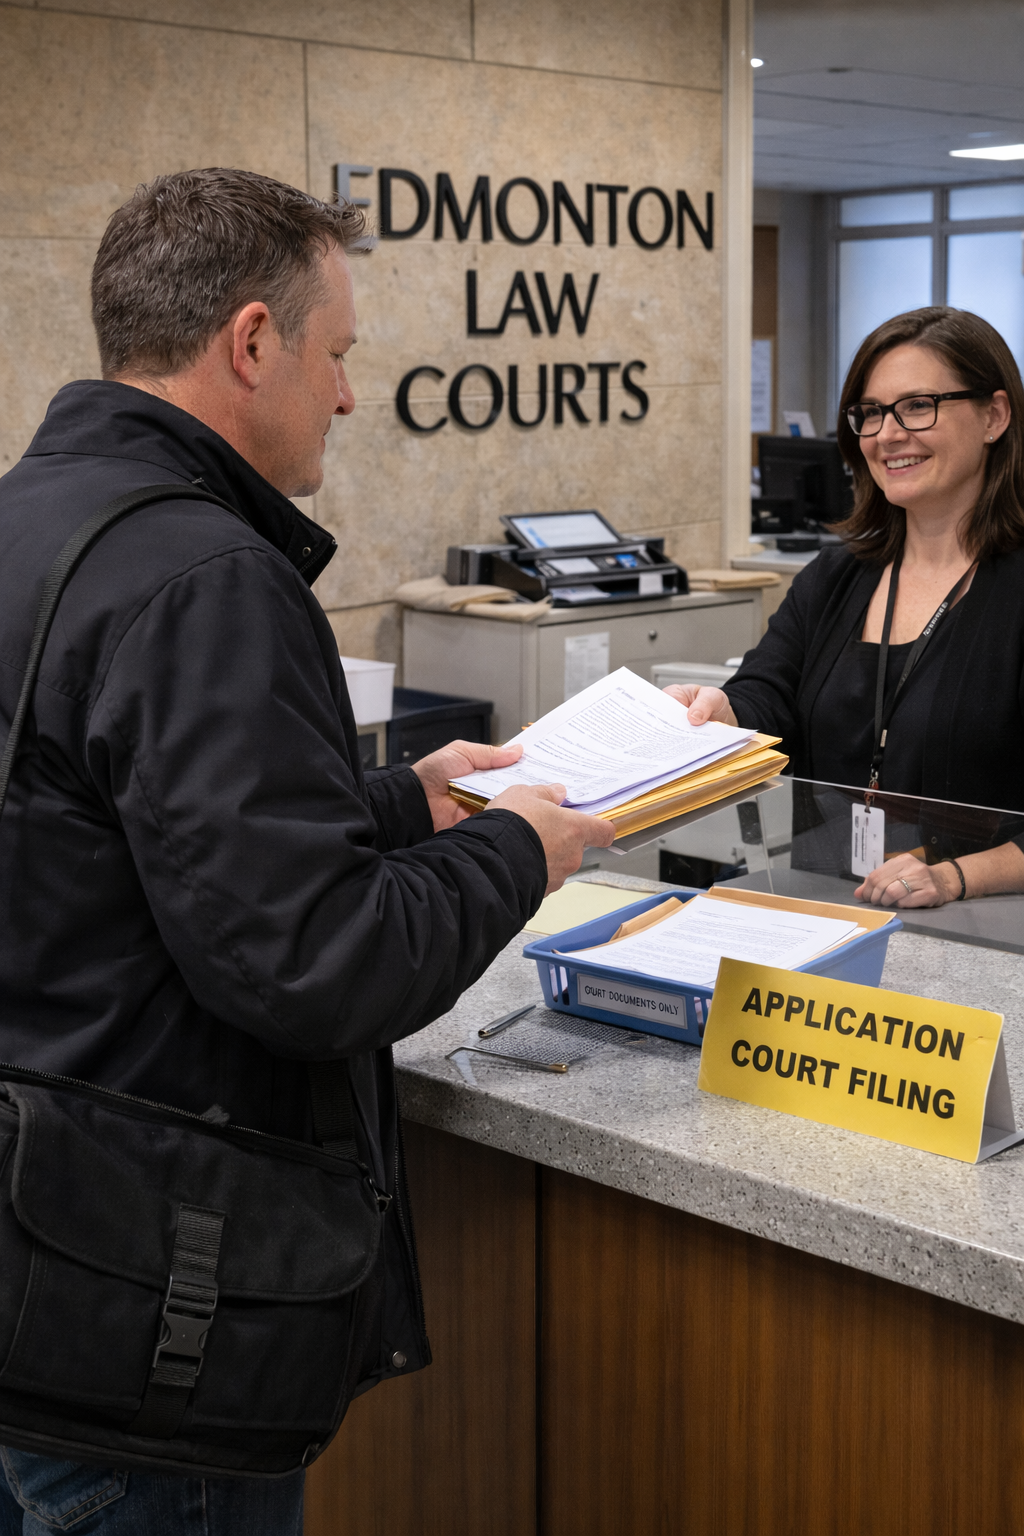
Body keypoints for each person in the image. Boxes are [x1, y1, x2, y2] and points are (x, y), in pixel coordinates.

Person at [0, 168, 614, 1533]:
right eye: (335, 354)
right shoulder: (206, 573)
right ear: (251, 341)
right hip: (143, 1312)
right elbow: (320, 965)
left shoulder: (31, 522)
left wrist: (403, 803)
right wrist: (520, 852)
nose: (344, 396)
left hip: (34, 1258)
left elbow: (108, 832)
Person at [666, 306, 1024, 909]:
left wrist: (956, 877)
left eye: (918, 406)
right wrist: (721, 710)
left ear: (994, 416)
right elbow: (767, 693)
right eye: (871, 412)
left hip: (985, 929)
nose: (888, 434)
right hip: (827, 912)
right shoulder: (836, 577)